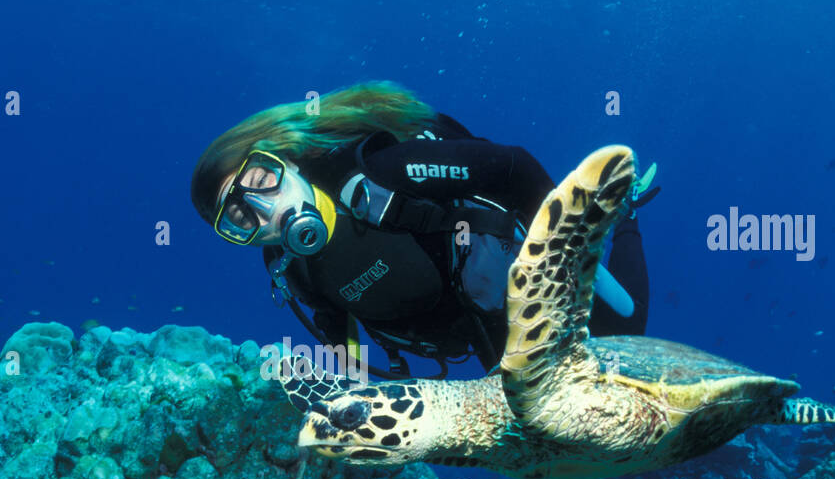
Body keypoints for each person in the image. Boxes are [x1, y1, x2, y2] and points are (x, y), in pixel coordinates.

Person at [190, 82, 658, 378]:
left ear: (286, 160)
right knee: (539, 410)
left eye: (259, 182)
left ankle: (627, 213)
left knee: (627, 336)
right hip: (475, 332)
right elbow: (338, 327)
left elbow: (514, 168)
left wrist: (566, 251)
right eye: (239, 220)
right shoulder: (291, 269)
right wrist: (347, 389)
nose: (265, 211)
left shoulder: (383, 175)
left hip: (518, 277)